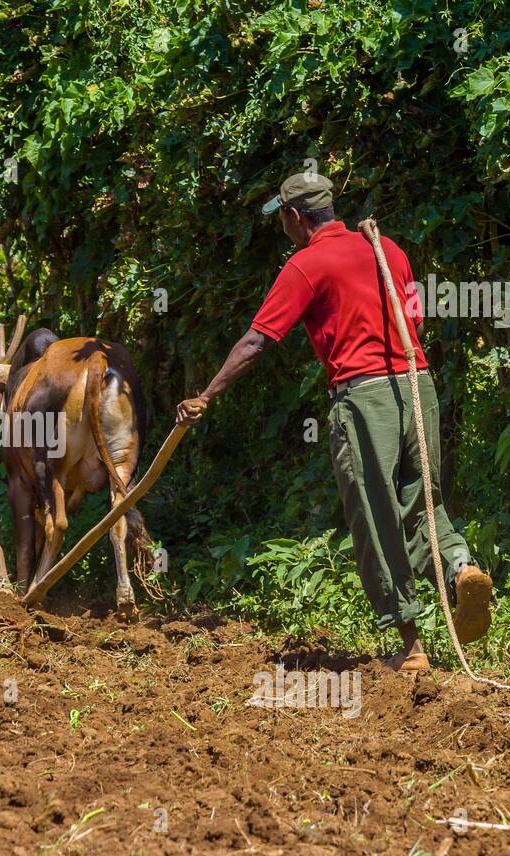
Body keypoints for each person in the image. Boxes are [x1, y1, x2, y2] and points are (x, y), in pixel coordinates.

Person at [176, 173, 492, 672]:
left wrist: (207, 394)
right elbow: (416, 320)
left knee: (374, 514)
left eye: (281, 217)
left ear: (295, 217)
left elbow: (258, 341)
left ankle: (411, 649)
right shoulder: (389, 248)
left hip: (365, 399)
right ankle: (461, 567)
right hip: (418, 385)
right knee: (422, 503)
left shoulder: (306, 265)